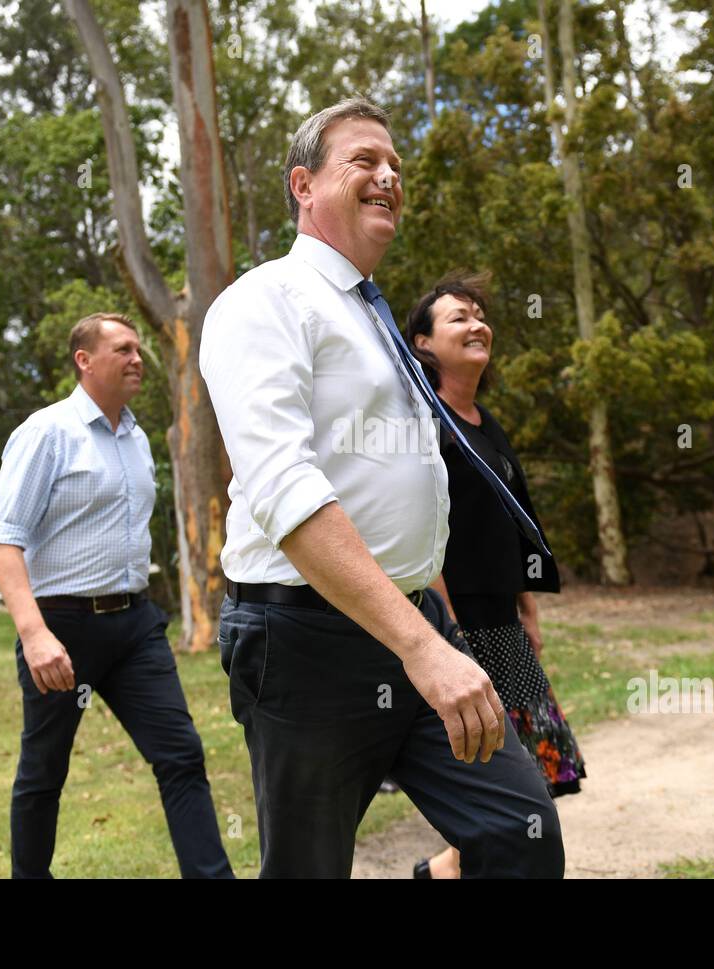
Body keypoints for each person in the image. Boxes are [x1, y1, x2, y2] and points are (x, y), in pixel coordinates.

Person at [199, 97, 564, 878]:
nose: (388, 176)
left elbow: (404, 488)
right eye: (364, 161)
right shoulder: (262, 303)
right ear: (303, 184)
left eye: (395, 165)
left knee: (518, 831)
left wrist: (440, 621)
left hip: (415, 620)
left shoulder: (377, 321)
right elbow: (287, 491)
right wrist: (422, 645)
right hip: (302, 641)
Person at [0, 313, 233, 879]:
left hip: (135, 626)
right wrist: (34, 633)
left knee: (180, 757)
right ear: (84, 360)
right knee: (45, 771)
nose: (137, 358)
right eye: (122, 349)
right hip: (61, 630)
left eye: (139, 349)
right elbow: (3, 538)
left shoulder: (137, 437)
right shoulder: (47, 433)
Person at [405, 272, 585, 879]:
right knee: (492, 778)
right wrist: (446, 626)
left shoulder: (487, 420)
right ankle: (453, 868)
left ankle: (444, 870)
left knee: (538, 769)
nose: (477, 323)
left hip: (502, 620)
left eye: (479, 315)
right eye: (458, 317)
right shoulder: (420, 420)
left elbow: (519, 521)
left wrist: (527, 610)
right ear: (424, 343)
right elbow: (420, 528)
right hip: (452, 623)